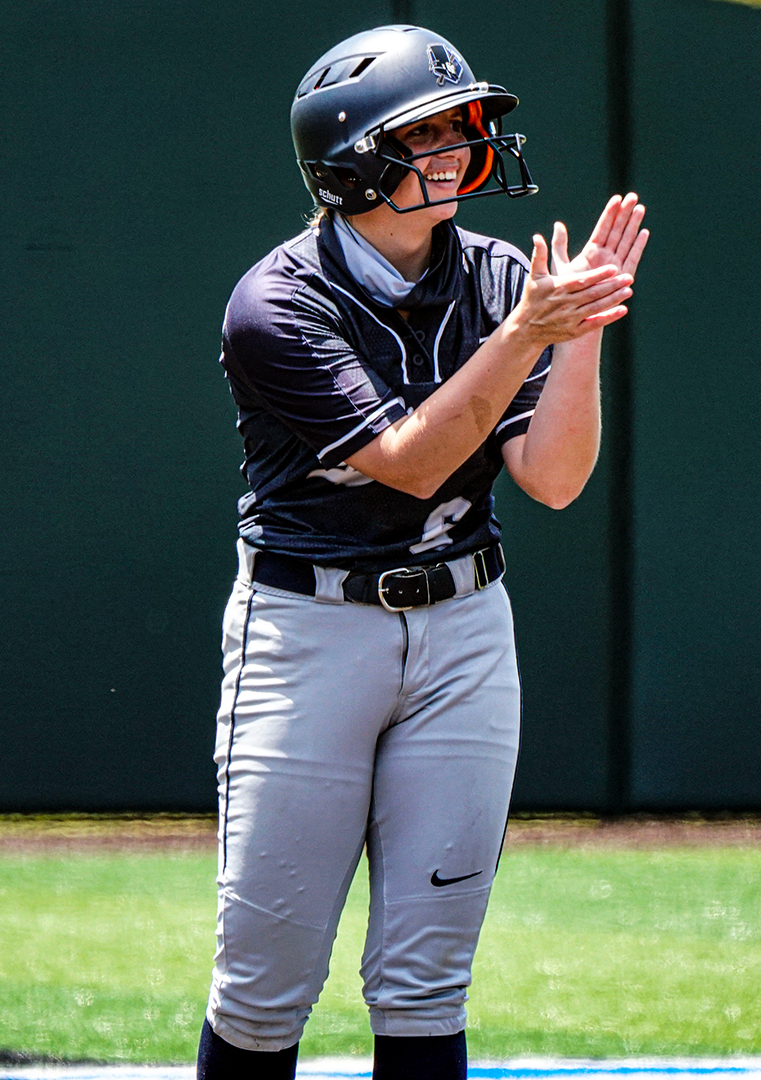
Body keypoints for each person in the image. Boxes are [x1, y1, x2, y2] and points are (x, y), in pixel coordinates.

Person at [201, 24, 649, 1080]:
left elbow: (554, 479)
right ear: (349, 158)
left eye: (461, 126)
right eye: (426, 131)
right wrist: (528, 333)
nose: (457, 147)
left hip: (463, 627)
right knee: (265, 987)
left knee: (426, 982)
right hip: (309, 630)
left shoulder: (500, 279)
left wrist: (576, 331)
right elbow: (408, 461)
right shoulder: (277, 302)